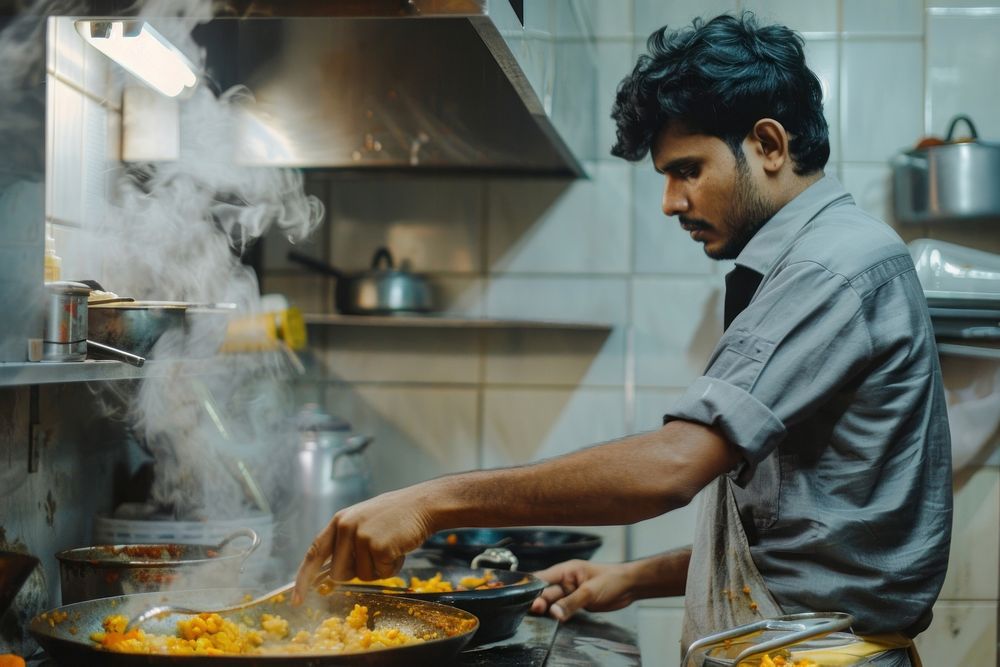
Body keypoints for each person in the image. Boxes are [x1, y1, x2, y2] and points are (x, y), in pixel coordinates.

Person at [294, 13, 951, 665]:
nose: (670, 201)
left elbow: (672, 467)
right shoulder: (821, 259)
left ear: (770, 145)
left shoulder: (828, 268)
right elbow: (808, 540)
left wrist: (432, 501)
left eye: (687, 169)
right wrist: (631, 578)